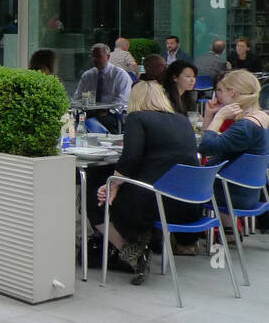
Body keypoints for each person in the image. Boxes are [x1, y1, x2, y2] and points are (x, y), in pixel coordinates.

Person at [92, 81, 199, 284]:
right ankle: (140, 239)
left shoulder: (137, 118)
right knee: (114, 188)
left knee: (95, 197)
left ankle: (132, 252)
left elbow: (130, 158)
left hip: (155, 201)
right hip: (188, 202)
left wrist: (113, 184)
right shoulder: (182, 120)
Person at [200, 69, 269, 220]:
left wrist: (219, 117)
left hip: (231, 192)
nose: (219, 95)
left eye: (221, 91)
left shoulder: (245, 127)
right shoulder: (262, 117)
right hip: (247, 191)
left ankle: (182, 241)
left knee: (173, 189)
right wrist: (209, 116)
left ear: (232, 92)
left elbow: (205, 148)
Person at [74, 43, 132, 133]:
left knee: (105, 121)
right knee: (73, 120)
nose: (95, 59)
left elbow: (123, 100)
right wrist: (85, 105)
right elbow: (78, 97)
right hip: (89, 112)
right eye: (93, 56)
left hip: (112, 114)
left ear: (108, 57)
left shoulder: (119, 75)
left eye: (98, 56)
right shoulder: (88, 75)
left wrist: (107, 111)